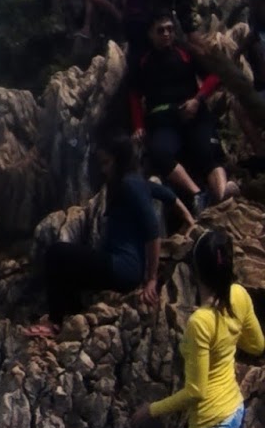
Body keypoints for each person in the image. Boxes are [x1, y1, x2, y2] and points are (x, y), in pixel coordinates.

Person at [22, 132, 189, 340]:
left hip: (123, 268)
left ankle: (55, 322)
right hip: (121, 266)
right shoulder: (135, 182)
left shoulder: (129, 184)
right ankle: (72, 316)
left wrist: (152, 279)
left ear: (119, 161)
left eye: (107, 163)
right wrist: (190, 219)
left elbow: (153, 230)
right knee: (71, 267)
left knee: (56, 254)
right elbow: (169, 196)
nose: (103, 169)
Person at [129, 229, 263, 428]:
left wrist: (151, 410)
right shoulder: (239, 294)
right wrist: (227, 337)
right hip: (235, 410)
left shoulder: (200, 322)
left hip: (210, 426)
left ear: (195, 271)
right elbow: (257, 345)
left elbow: (196, 391)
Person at [129, 15, 236, 212]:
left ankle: (222, 196)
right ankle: (197, 195)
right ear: (150, 34)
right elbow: (135, 96)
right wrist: (138, 126)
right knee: (160, 154)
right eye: (160, 30)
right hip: (164, 122)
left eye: (170, 29)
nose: (166, 34)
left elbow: (212, 77)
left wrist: (197, 100)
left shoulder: (185, 52)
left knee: (208, 151)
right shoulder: (143, 61)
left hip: (194, 114)